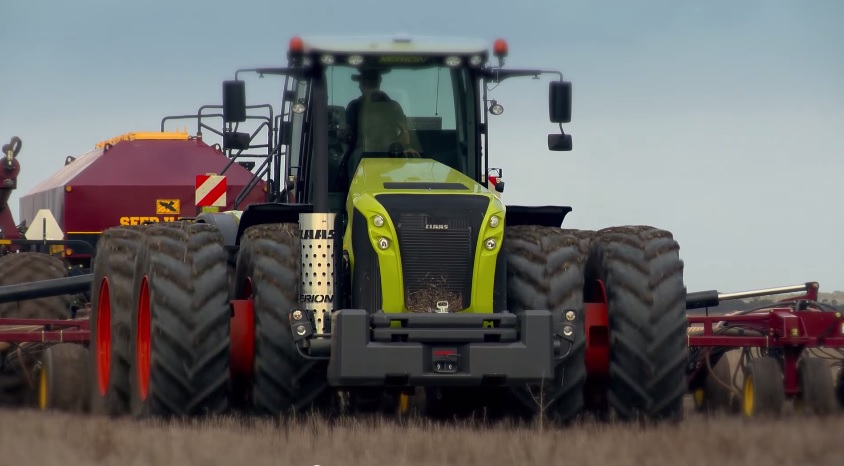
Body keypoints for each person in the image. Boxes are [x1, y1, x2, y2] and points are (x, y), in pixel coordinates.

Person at [342, 69, 419, 158]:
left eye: (368, 84)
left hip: (388, 152)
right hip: (363, 152)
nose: (360, 86)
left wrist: (406, 148)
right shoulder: (354, 106)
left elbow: (403, 131)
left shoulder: (392, 106)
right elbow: (347, 132)